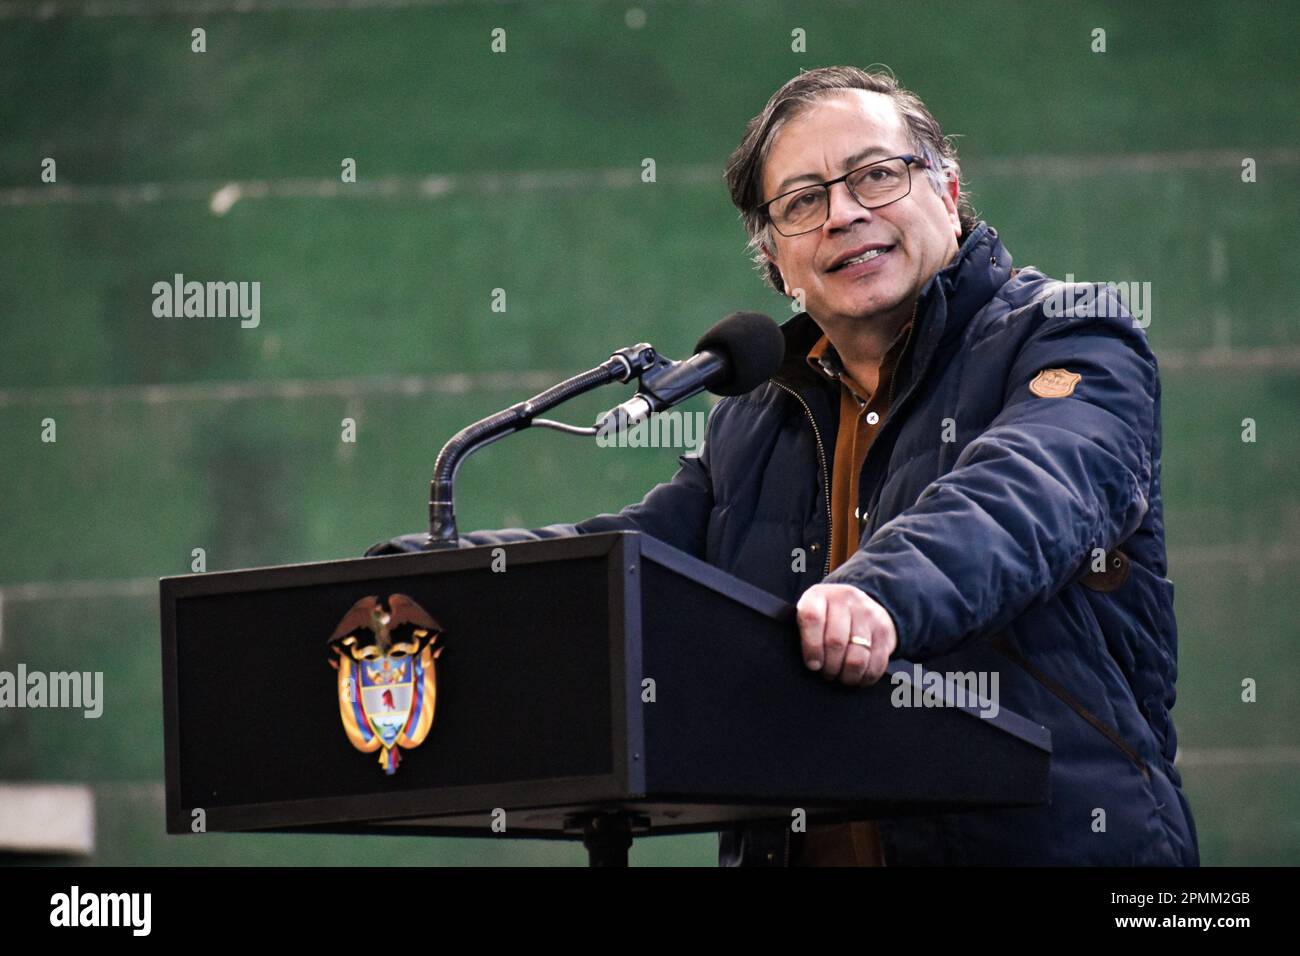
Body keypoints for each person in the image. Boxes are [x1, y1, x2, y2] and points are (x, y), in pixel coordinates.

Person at [367, 65, 1199, 866]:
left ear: (947, 193)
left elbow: (1026, 493)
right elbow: (631, 561)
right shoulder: (755, 415)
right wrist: (452, 583)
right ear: (777, 263)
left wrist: (878, 594)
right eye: (803, 201)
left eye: (875, 176)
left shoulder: (1067, 333)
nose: (842, 214)